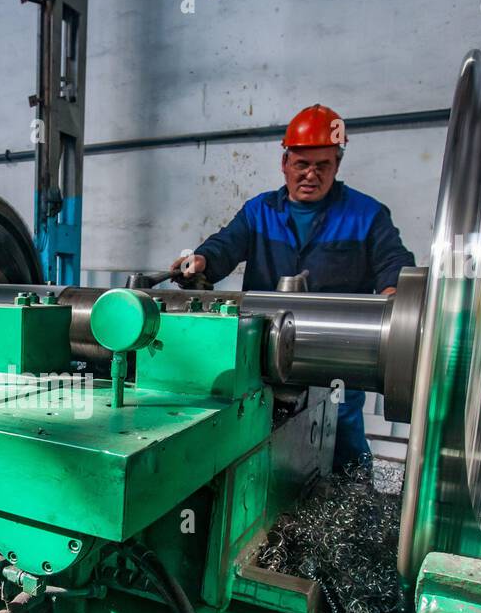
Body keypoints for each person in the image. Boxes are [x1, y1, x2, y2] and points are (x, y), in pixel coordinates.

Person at [171, 104, 415, 472]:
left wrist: (395, 298)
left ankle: (354, 503)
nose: (311, 175)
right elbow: (225, 245)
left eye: (323, 165)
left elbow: (393, 265)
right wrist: (201, 261)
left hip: (336, 358)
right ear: (284, 162)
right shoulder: (259, 212)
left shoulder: (366, 215)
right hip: (264, 352)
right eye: (302, 164)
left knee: (342, 441)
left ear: (337, 164)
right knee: (258, 441)